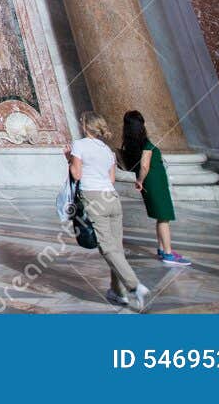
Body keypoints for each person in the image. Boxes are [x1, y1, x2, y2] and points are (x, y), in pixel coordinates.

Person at [69, 111, 150, 310]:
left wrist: (68, 159)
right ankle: (118, 292)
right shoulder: (107, 150)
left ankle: (134, 286)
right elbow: (112, 179)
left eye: (81, 122)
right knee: (116, 247)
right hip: (112, 197)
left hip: (94, 197)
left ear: (85, 126)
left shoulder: (78, 145)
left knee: (106, 247)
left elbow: (77, 174)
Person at [120, 110, 191, 267]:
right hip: (154, 183)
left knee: (161, 216)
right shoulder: (145, 144)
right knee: (164, 216)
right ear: (142, 125)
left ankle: (161, 248)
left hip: (153, 182)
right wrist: (140, 180)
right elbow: (145, 165)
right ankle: (168, 252)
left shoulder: (132, 144)